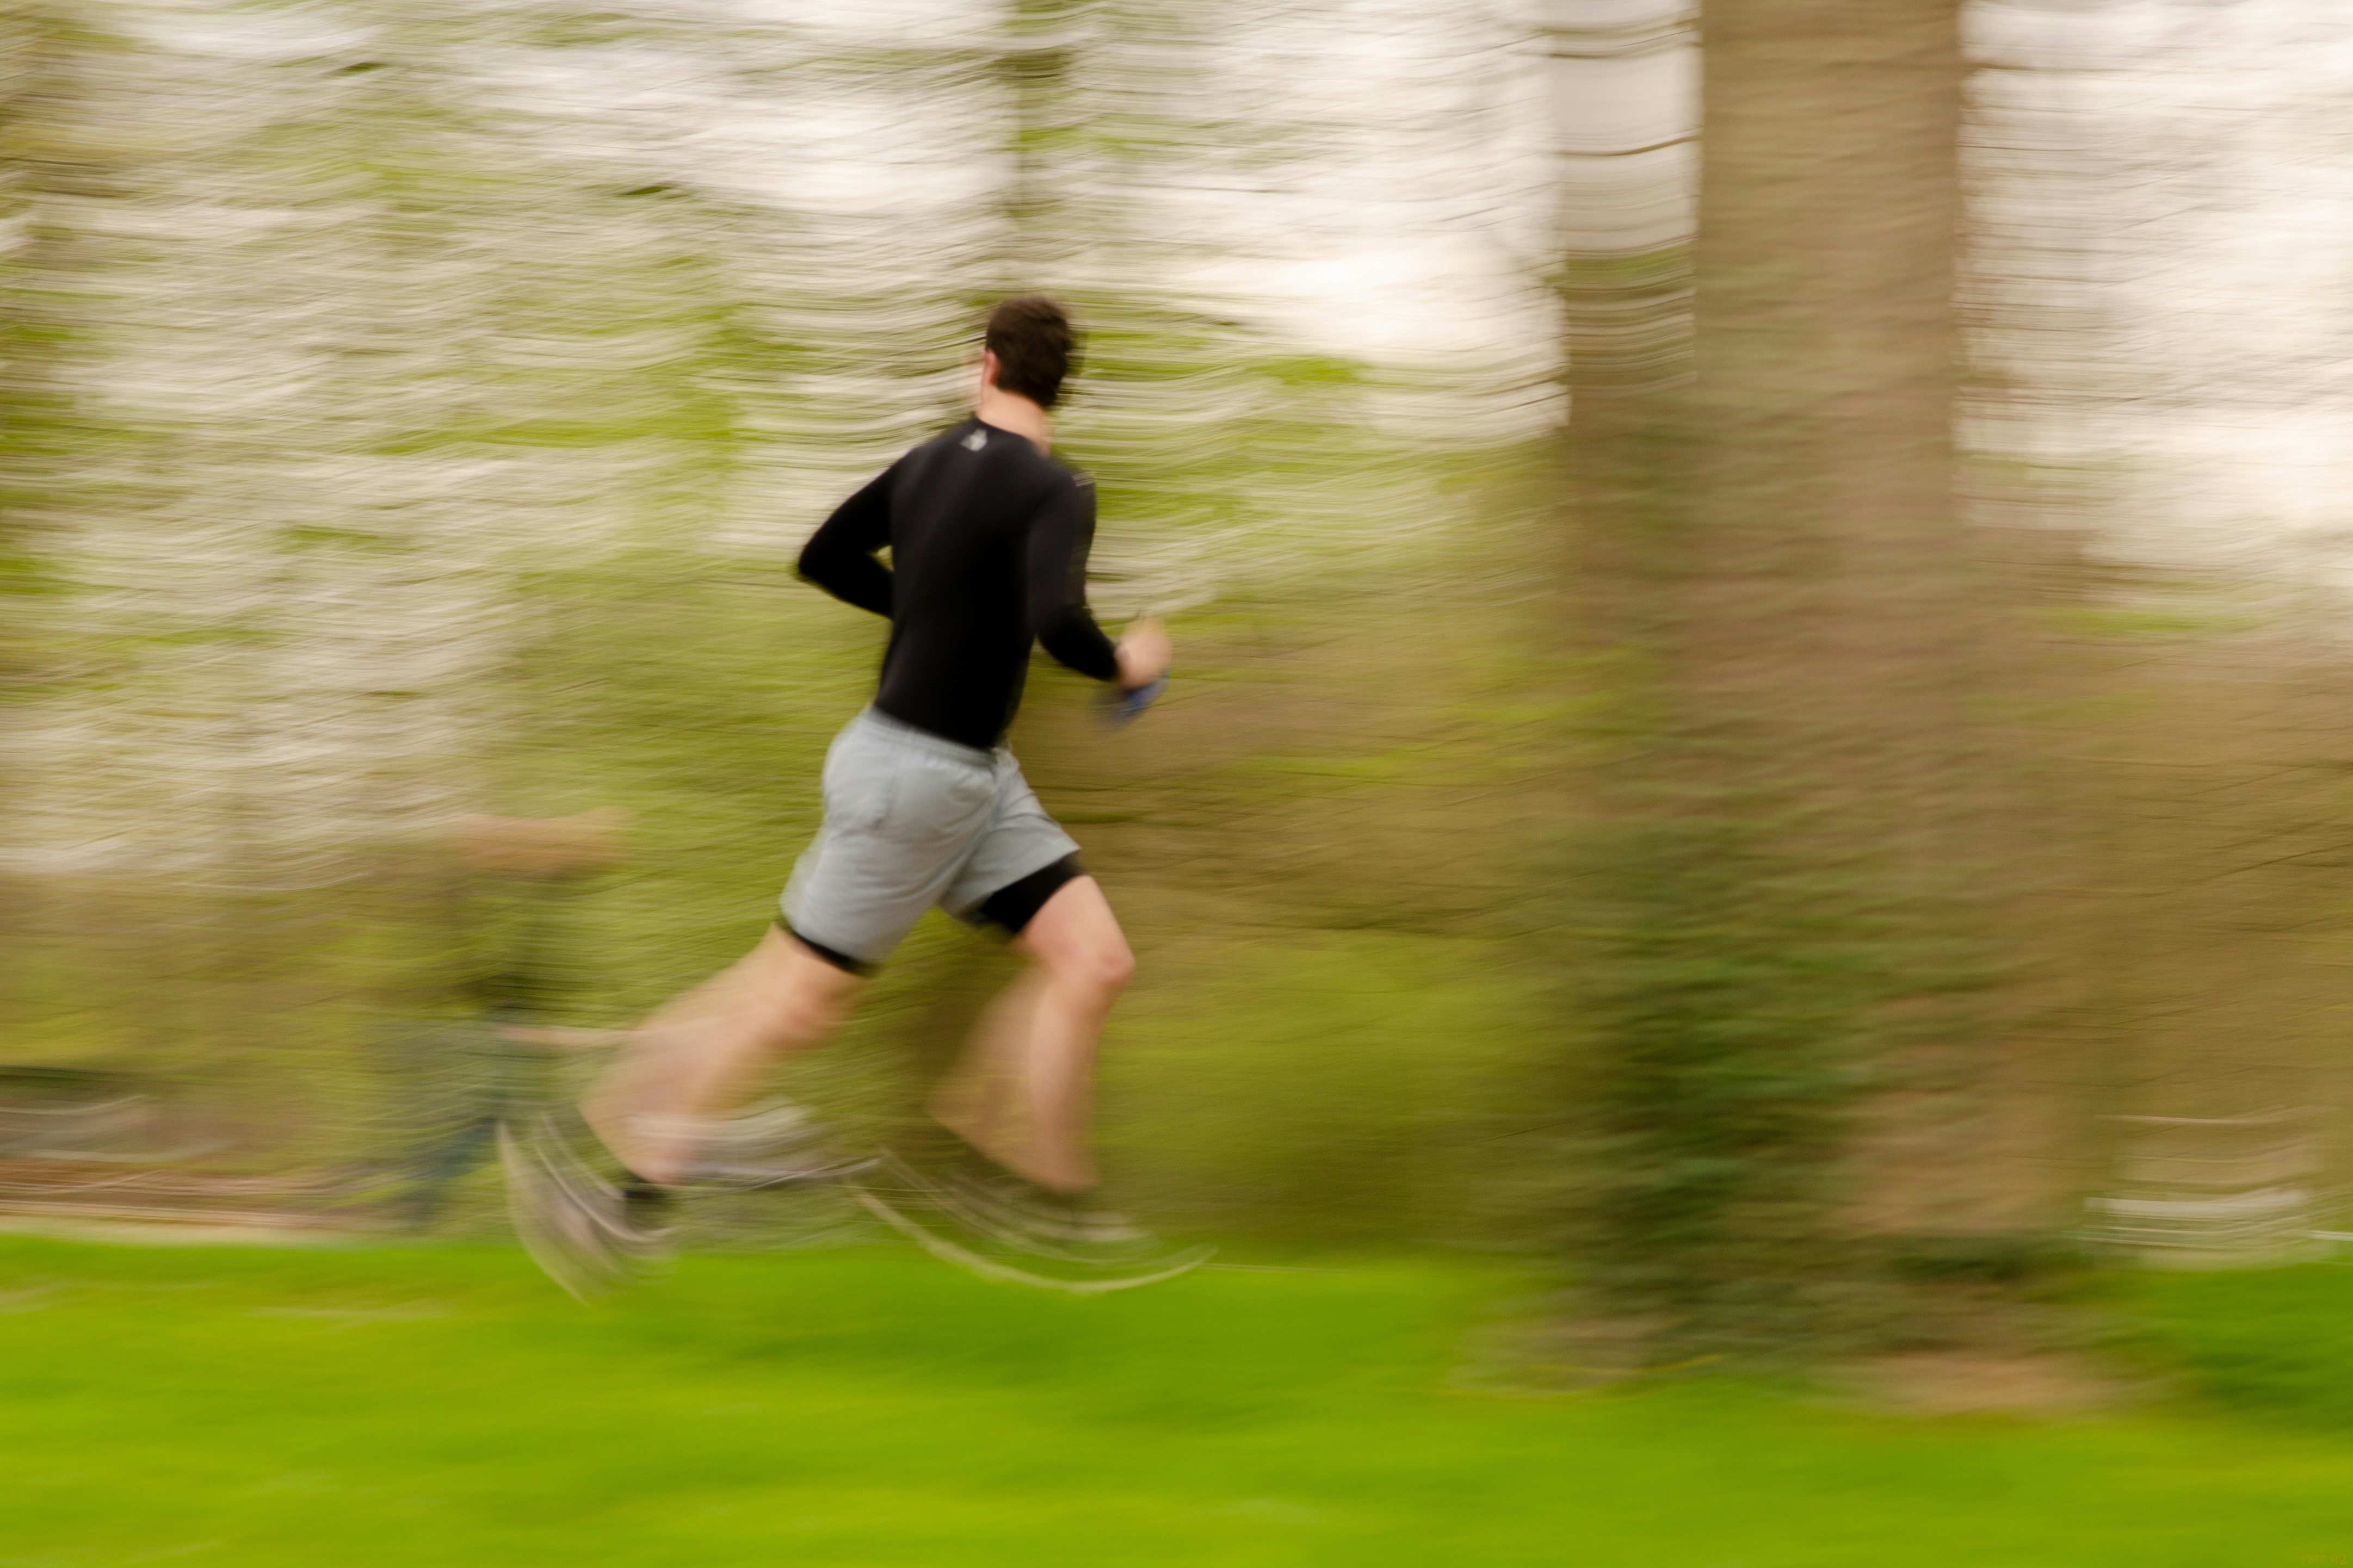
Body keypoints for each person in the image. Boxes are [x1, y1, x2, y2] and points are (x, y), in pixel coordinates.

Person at [502, 296, 1197, 1296]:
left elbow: (822, 560)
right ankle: (616, 1191)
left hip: (973, 781)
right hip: (918, 780)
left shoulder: (922, 465)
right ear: (1058, 384)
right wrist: (1129, 662)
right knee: (792, 1005)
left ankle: (1034, 1198)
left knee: (1091, 962)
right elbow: (1059, 624)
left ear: (984, 365)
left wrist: (919, 603)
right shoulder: (1056, 490)